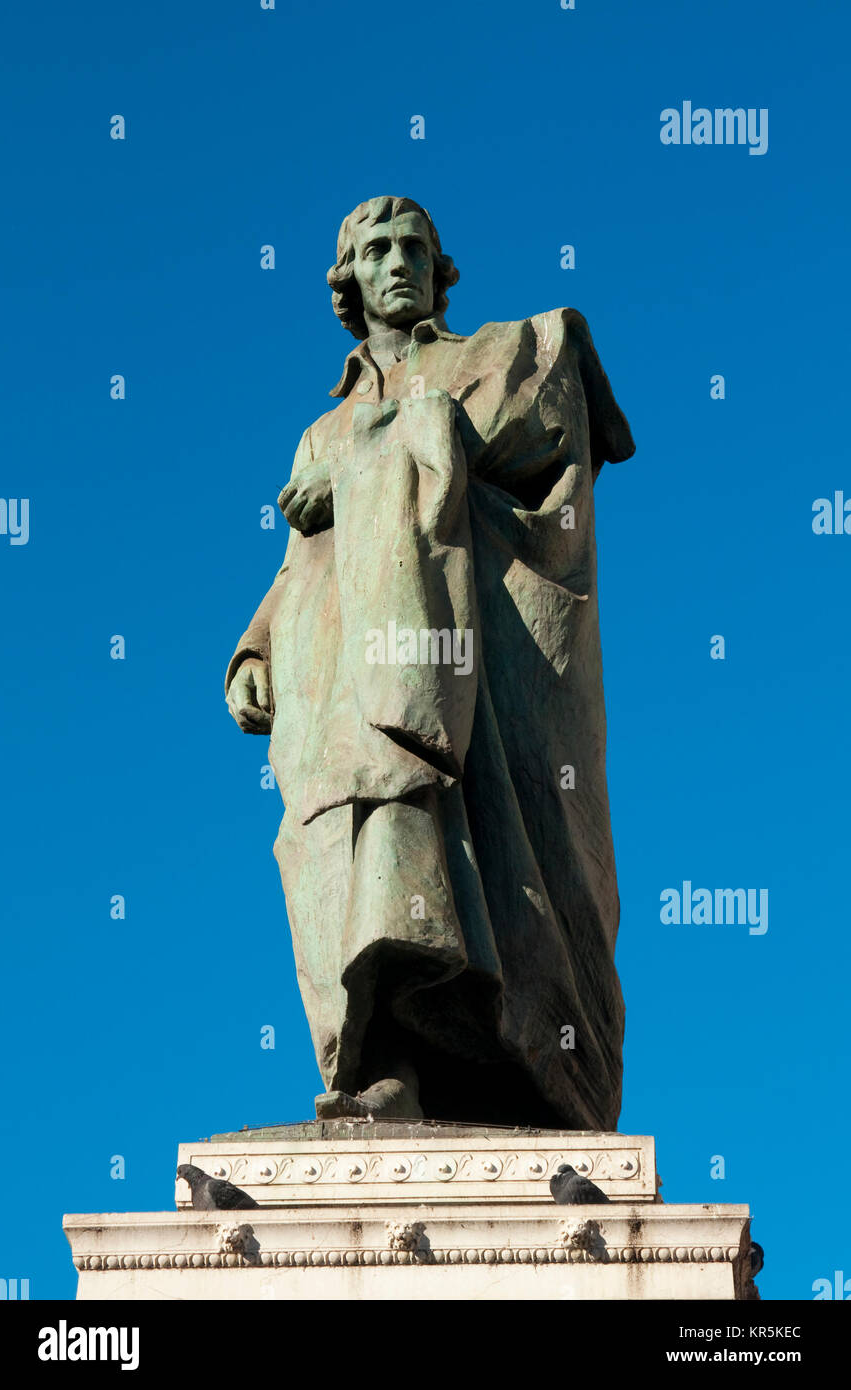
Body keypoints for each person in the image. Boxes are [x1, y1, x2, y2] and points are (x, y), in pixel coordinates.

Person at [226, 196, 635, 1127]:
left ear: (442, 268)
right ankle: (385, 1061)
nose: (399, 260)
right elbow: (306, 563)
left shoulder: (481, 358)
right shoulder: (322, 432)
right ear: (349, 282)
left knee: (472, 842)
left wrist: (375, 461)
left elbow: (541, 430)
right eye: (376, 250)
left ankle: (484, 1072)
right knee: (356, 830)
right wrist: (256, 646)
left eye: (416, 246)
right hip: (339, 678)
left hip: (468, 668)